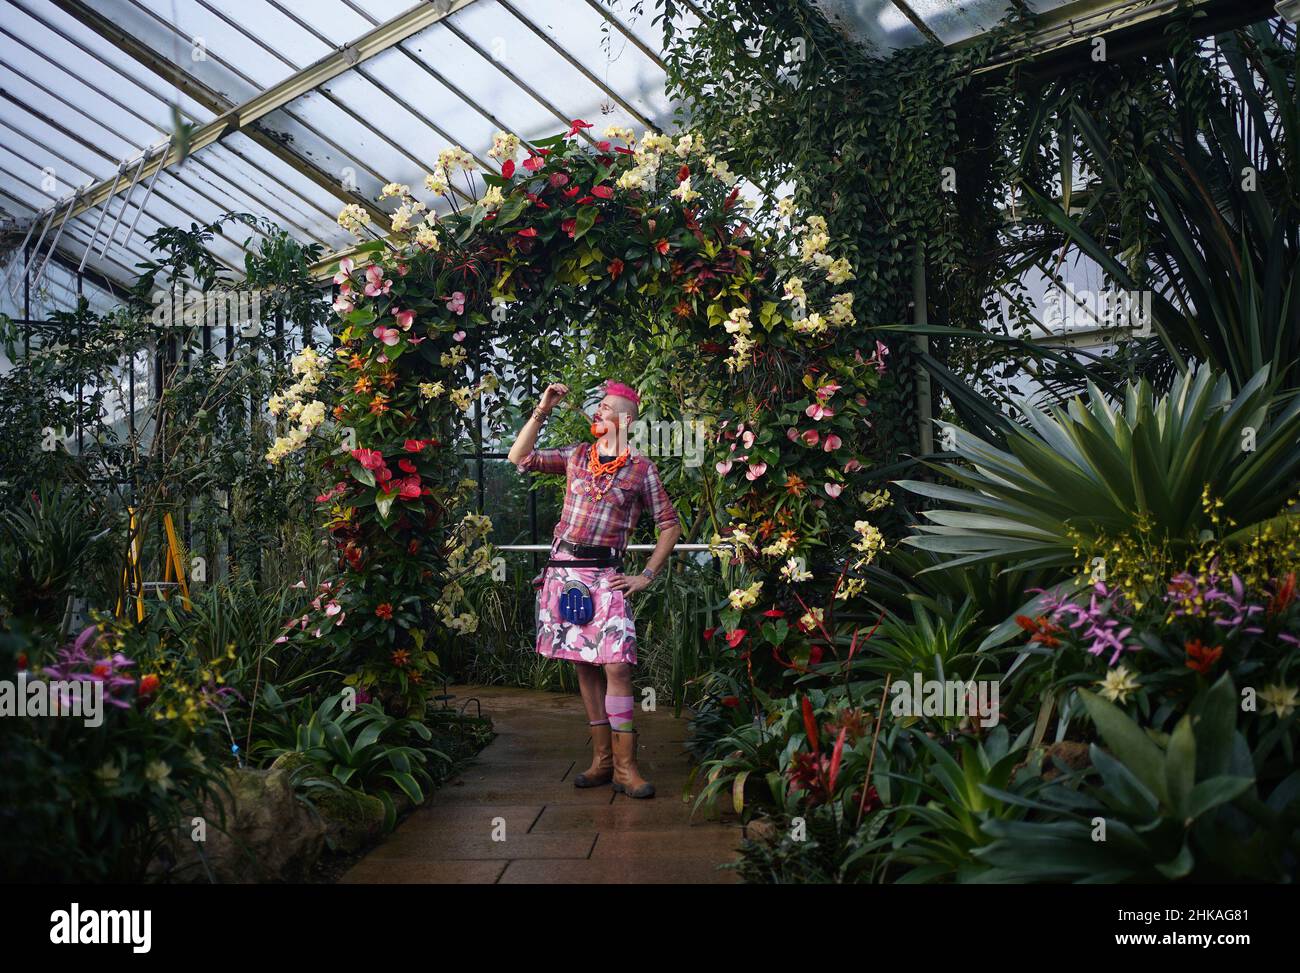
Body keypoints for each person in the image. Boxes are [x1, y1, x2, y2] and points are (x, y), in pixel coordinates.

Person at [507, 379, 682, 798]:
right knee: (584, 664)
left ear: (624, 420)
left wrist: (646, 575)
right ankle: (603, 761)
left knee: (617, 664)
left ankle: (626, 766)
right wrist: (542, 408)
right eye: (598, 406)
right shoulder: (575, 455)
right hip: (565, 571)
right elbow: (520, 456)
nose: (597, 412)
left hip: (607, 575)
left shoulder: (641, 469)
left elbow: (669, 526)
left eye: (605, 407)